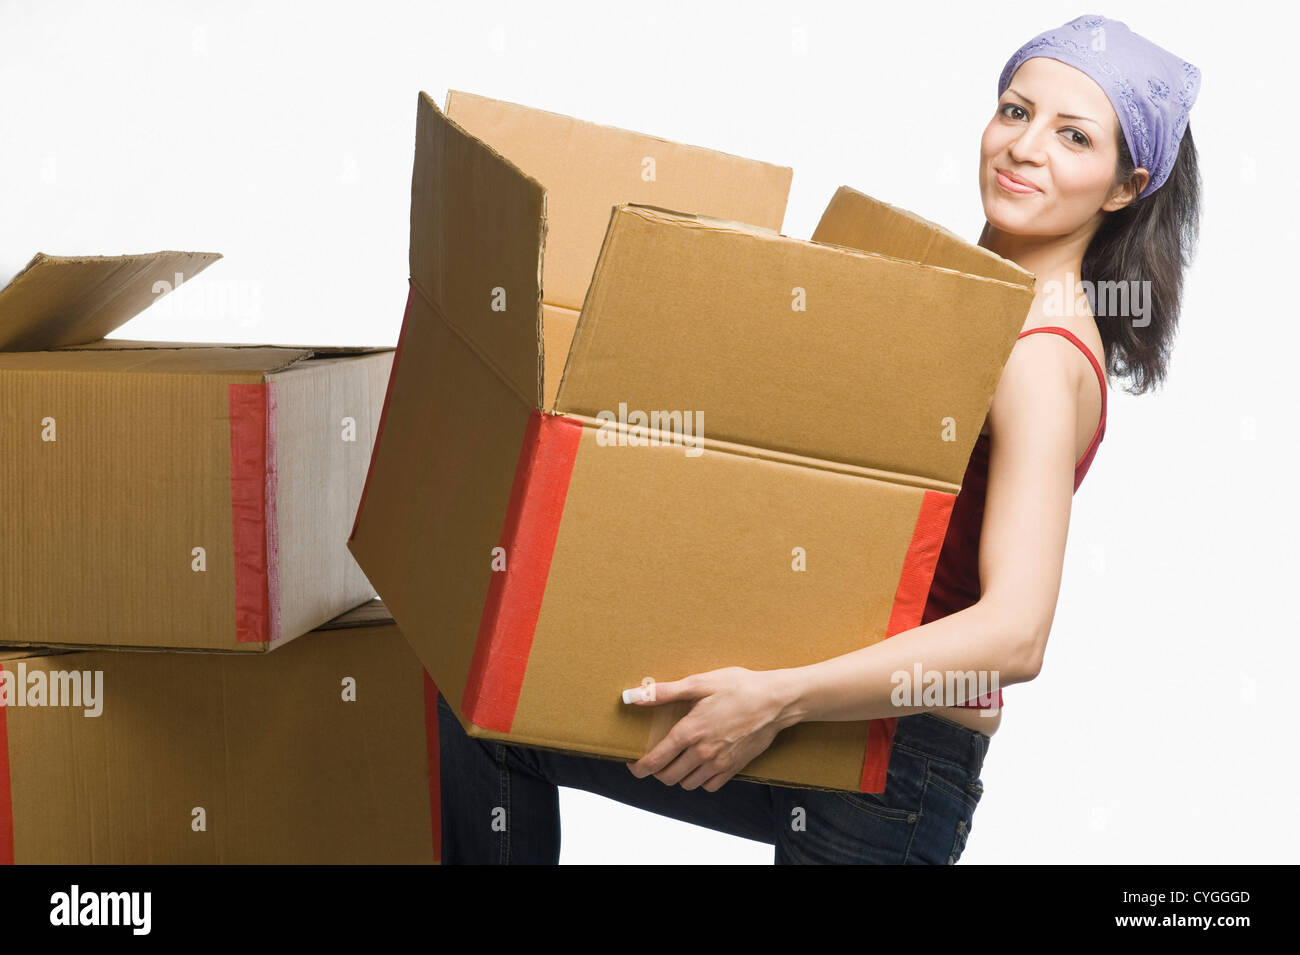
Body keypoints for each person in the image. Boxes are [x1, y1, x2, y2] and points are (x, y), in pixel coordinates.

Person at [436, 13, 1203, 864]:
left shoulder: (1039, 354)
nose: (1026, 148)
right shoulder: (959, 297)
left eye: (1073, 136)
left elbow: (1016, 633)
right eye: (1016, 112)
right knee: (480, 695)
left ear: (1124, 187)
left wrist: (779, 698)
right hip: (812, 715)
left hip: (897, 767)